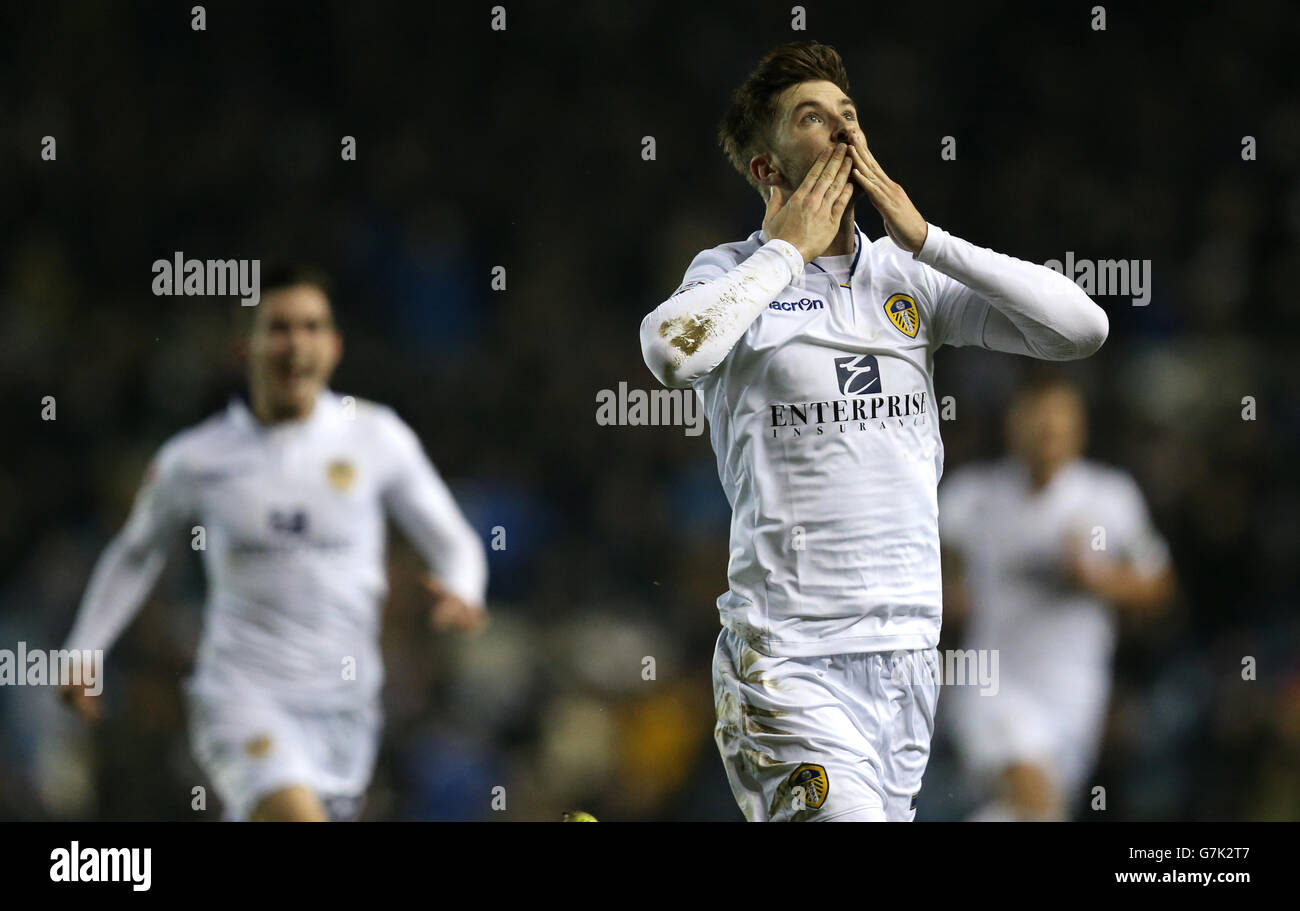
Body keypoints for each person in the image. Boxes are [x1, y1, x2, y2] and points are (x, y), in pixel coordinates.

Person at [638, 41, 1109, 821]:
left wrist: (929, 240)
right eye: (813, 119)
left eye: (849, 115)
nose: (844, 132)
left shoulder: (909, 277)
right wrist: (788, 250)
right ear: (768, 168)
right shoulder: (733, 274)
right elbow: (670, 352)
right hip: (788, 662)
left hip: (905, 663)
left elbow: (1081, 327)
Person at [59, 266, 488, 821]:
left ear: (334, 347)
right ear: (245, 348)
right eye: (279, 328)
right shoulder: (197, 459)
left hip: (345, 705)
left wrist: (464, 588)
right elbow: (136, 551)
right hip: (240, 695)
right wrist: (83, 648)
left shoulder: (377, 437)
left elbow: (452, 538)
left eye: (311, 328)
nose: (296, 345)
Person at [940, 375, 1175, 821]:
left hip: (1074, 692)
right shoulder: (971, 496)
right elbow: (940, 582)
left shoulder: (1111, 499)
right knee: (1030, 789)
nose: (1047, 432)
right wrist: (949, 600)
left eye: (1058, 421)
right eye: (1036, 420)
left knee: (1034, 811)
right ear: (1013, 425)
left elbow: (1159, 585)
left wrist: (1098, 580)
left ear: (1079, 428)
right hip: (990, 681)